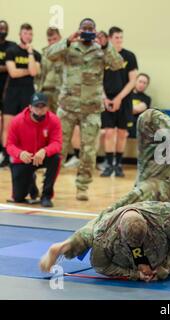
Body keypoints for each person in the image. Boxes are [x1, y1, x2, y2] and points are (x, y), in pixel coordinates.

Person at [45, 18, 124, 201]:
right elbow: (49, 54)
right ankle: (49, 186)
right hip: (67, 107)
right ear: (79, 30)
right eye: (84, 29)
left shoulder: (101, 49)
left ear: (95, 31)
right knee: (58, 148)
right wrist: (67, 40)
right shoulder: (69, 47)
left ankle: (82, 187)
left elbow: (118, 64)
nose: (87, 31)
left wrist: (106, 46)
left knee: (88, 151)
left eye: (90, 29)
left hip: (91, 109)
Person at [39, 201, 170, 281]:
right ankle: (66, 245)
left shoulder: (164, 214)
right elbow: (101, 266)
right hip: (109, 223)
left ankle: (69, 245)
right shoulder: (104, 234)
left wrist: (165, 268)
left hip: (141, 214)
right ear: (119, 230)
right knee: (89, 233)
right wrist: (135, 274)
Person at [6, 92, 62, 207]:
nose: (40, 110)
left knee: (56, 158)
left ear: (47, 107)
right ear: (30, 107)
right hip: (24, 159)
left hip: (41, 157)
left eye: (43, 107)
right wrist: (20, 153)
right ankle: (31, 180)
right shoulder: (17, 121)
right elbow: (9, 145)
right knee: (18, 198)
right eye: (37, 106)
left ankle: (46, 195)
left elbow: (57, 143)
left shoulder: (54, 120)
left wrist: (45, 151)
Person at [1, 23, 41, 168]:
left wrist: (30, 53)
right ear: (20, 34)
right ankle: (6, 156)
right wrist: (27, 71)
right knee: (8, 125)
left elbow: (35, 72)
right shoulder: (11, 51)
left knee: (27, 125)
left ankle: (26, 155)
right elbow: (13, 73)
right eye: (25, 33)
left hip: (28, 93)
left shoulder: (35, 54)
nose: (28, 36)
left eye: (30, 34)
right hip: (12, 92)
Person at [101, 27, 138, 178]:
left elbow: (133, 81)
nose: (119, 40)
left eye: (121, 37)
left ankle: (119, 164)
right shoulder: (102, 56)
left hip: (124, 99)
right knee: (109, 132)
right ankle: (109, 164)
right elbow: (97, 79)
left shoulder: (129, 56)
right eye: (116, 37)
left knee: (122, 133)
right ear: (110, 39)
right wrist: (104, 98)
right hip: (106, 98)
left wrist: (119, 98)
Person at [0, 20, 16, 166]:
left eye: (5, 28)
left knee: (7, 124)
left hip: (7, 89)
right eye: (0, 28)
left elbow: (13, 67)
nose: (2, 30)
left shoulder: (11, 46)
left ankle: (6, 154)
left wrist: (6, 67)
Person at [38, 27, 62, 113]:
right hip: (46, 91)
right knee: (45, 120)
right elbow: (40, 74)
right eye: (49, 40)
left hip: (61, 92)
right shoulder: (44, 53)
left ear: (60, 38)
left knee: (61, 121)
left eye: (55, 39)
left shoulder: (67, 52)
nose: (52, 42)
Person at [127, 73, 152, 138]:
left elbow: (136, 110)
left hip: (136, 131)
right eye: (140, 81)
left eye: (144, 83)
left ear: (147, 85)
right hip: (123, 128)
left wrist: (124, 108)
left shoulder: (147, 98)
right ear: (135, 81)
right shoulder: (126, 95)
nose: (142, 84)